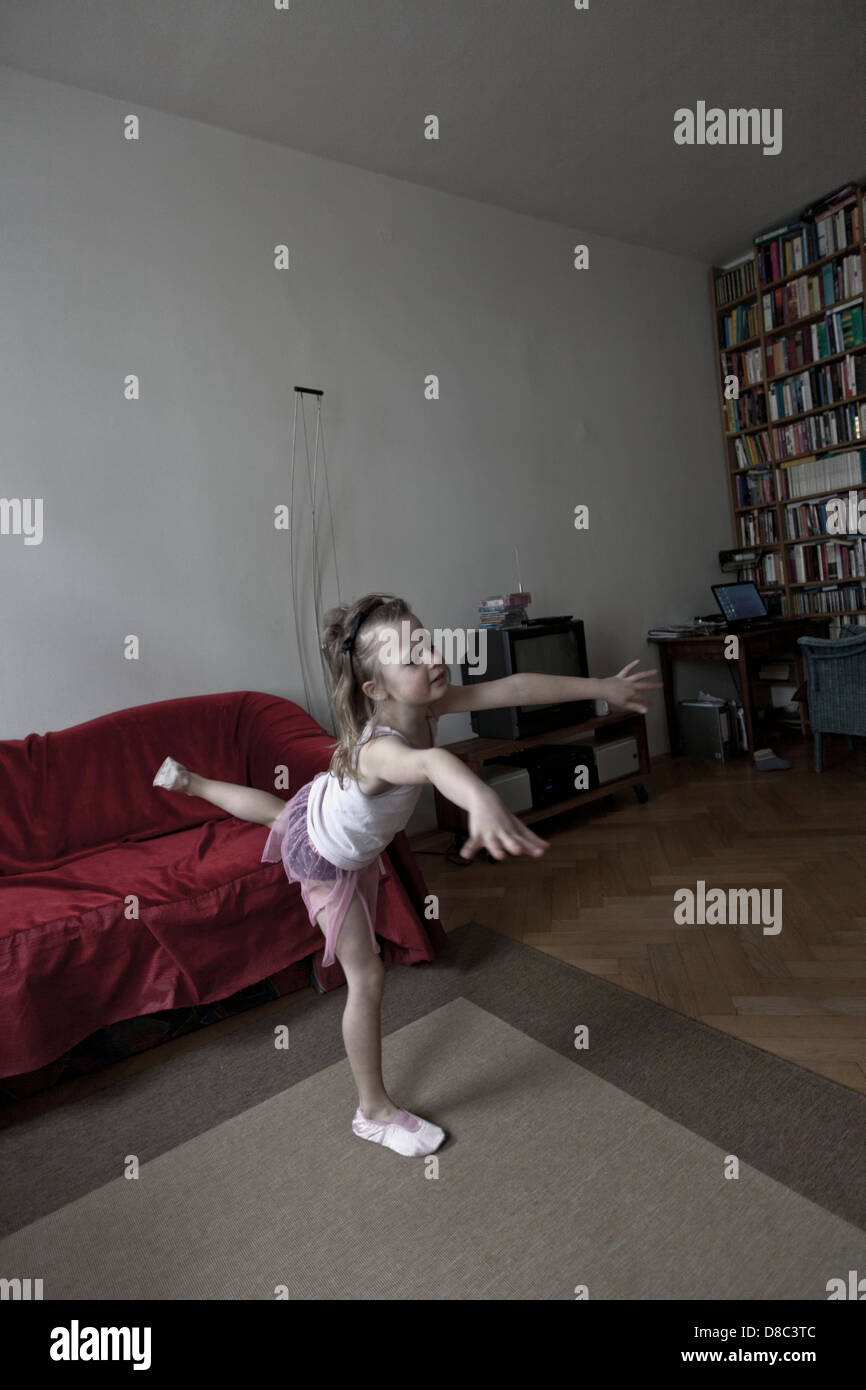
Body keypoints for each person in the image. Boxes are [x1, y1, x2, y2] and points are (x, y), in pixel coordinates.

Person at [153, 592, 660, 1158]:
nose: (430, 655)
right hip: (328, 861)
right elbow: (431, 764)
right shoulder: (380, 751)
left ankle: (192, 783)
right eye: (410, 656)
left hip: (325, 812)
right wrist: (482, 798)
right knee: (366, 979)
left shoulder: (426, 706)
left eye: (425, 640)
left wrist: (601, 690)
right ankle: (371, 1111)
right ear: (376, 690)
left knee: (280, 810)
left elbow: (515, 688)